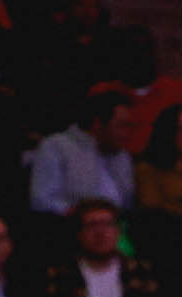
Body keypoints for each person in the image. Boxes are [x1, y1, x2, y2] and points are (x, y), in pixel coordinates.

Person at [29, 87, 137, 217]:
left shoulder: (122, 156)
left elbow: (127, 203)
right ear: (98, 124)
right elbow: (41, 199)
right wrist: (78, 214)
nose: (128, 134)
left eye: (130, 126)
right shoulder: (56, 146)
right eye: (122, 126)